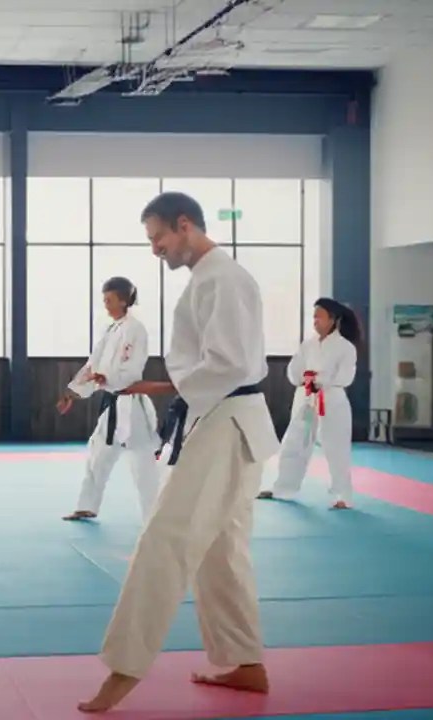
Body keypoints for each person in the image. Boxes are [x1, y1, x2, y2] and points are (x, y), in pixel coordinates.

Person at [79, 192, 280, 713]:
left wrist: (171, 386)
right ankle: (243, 661)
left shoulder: (224, 279)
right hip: (222, 420)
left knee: (164, 537)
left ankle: (125, 666)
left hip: (226, 420)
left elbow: (232, 363)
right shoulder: (208, 280)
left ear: (184, 224)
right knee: (219, 551)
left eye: (157, 237)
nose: (155, 250)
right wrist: (179, 389)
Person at [57, 276, 160, 523]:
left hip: (131, 403)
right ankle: (87, 506)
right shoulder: (110, 329)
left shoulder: (135, 329)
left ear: (124, 301)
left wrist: (108, 377)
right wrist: (73, 391)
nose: (106, 304)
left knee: (142, 463)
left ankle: (156, 516)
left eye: (110, 300)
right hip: (112, 402)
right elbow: (93, 364)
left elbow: (133, 367)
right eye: (104, 299)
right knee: (98, 454)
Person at [258, 297, 362, 509]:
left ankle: (341, 495)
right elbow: (294, 370)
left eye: (319, 316)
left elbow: (345, 377)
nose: (315, 321)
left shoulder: (345, 348)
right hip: (306, 398)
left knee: (336, 447)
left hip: (331, 400)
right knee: (293, 442)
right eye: (313, 316)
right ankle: (283, 488)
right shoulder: (308, 345)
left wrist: (320, 379)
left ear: (332, 320)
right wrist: (305, 379)